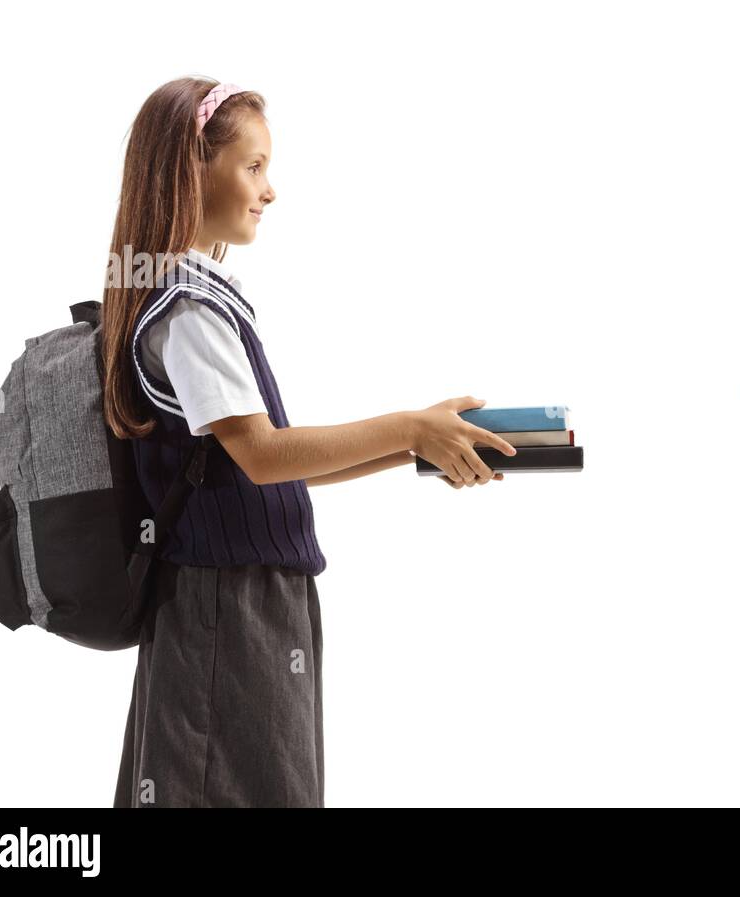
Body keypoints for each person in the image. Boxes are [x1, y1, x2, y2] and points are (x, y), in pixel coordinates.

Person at [103, 78, 517, 807]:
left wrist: (423, 443)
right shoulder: (190, 312)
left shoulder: (195, 295)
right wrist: (410, 428)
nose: (270, 190)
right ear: (190, 168)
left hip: (248, 601)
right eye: (253, 165)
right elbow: (264, 455)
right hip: (228, 605)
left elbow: (261, 459)